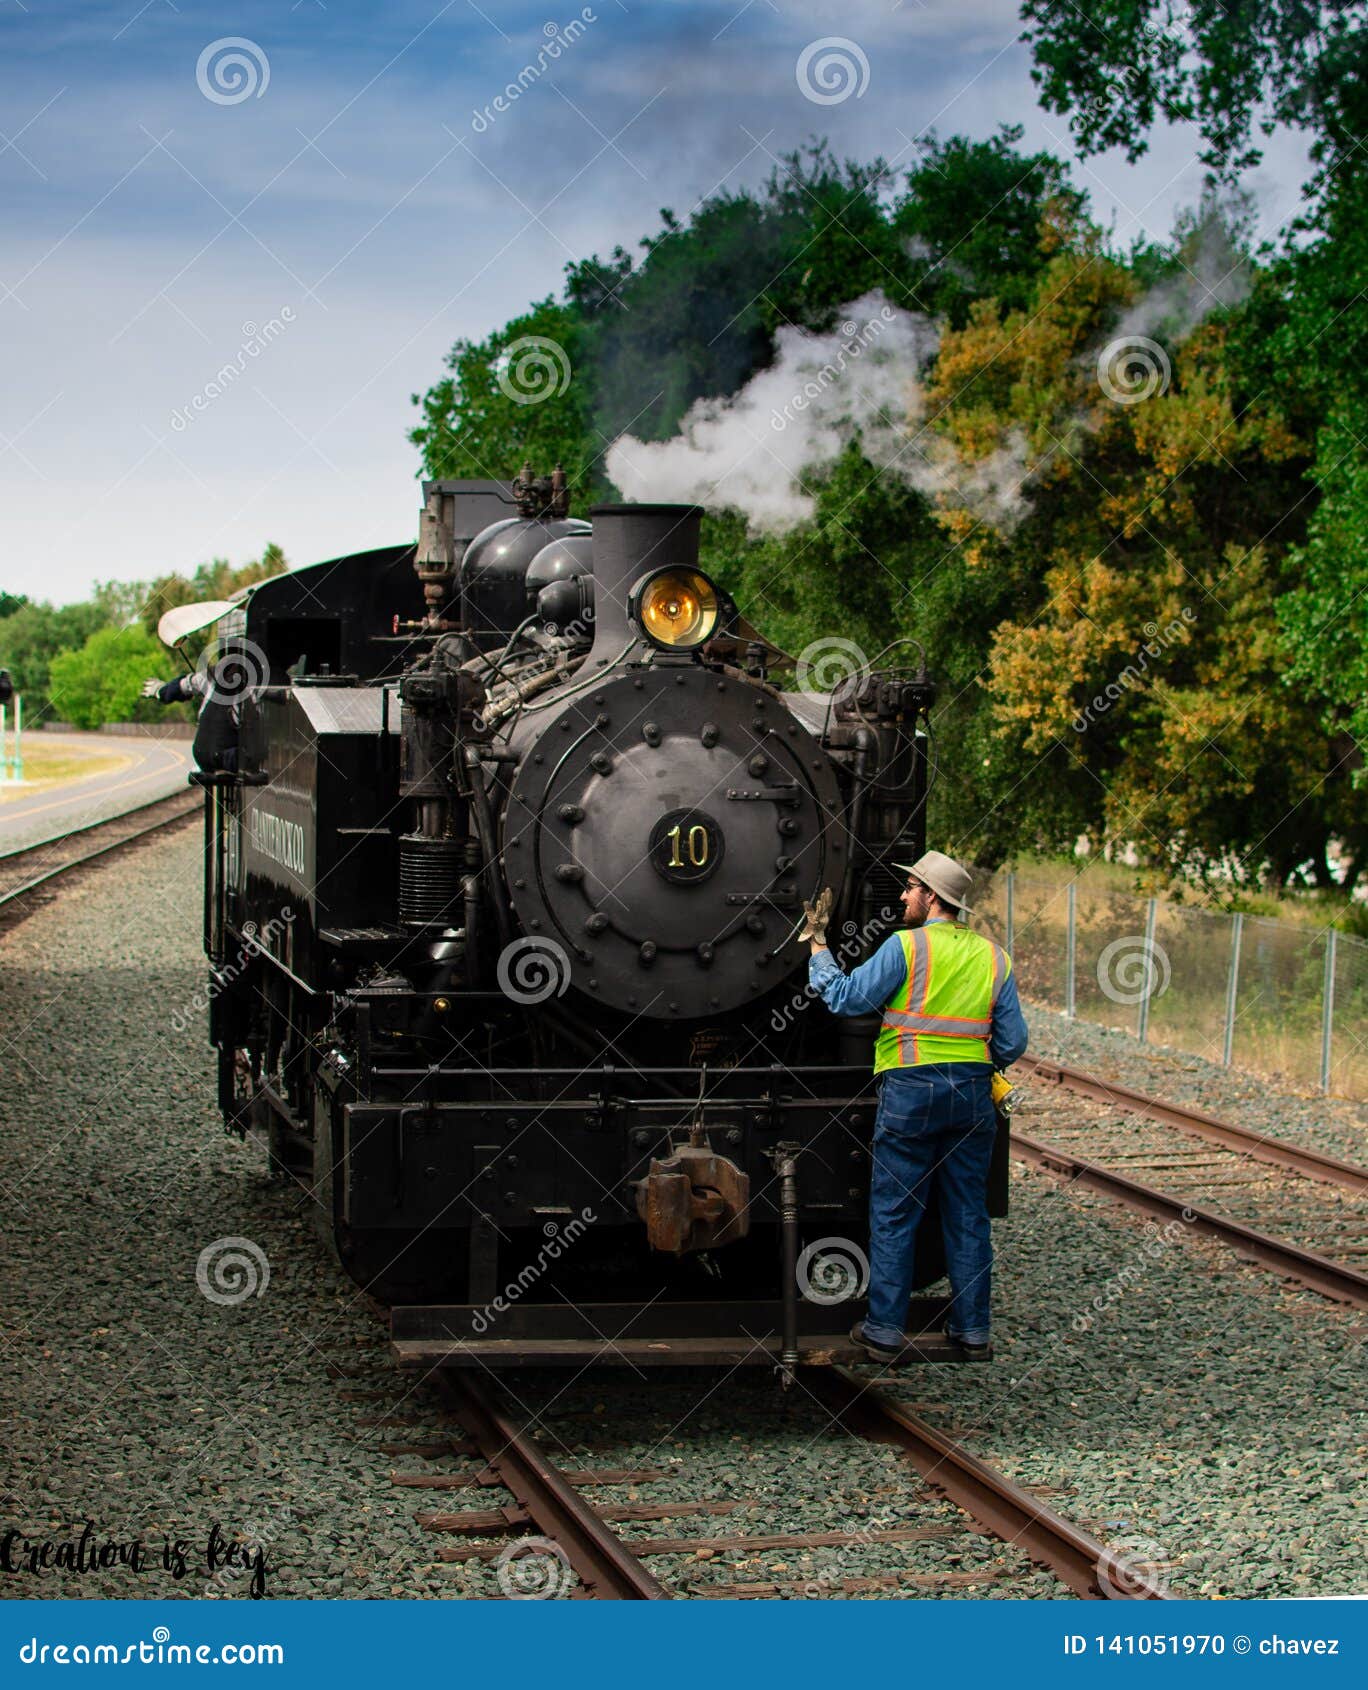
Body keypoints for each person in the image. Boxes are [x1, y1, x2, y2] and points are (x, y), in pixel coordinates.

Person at [801, 851, 1028, 1363]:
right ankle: (973, 1333)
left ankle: (884, 1331)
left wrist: (817, 947)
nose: (903, 896)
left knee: (895, 1211)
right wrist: (971, 1058)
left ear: (931, 898)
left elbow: (846, 999)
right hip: (971, 1096)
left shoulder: (907, 946)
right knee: (968, 1215)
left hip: (910, 1095)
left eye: (910, 888)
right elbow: (1012, 1043)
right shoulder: (994, 957)